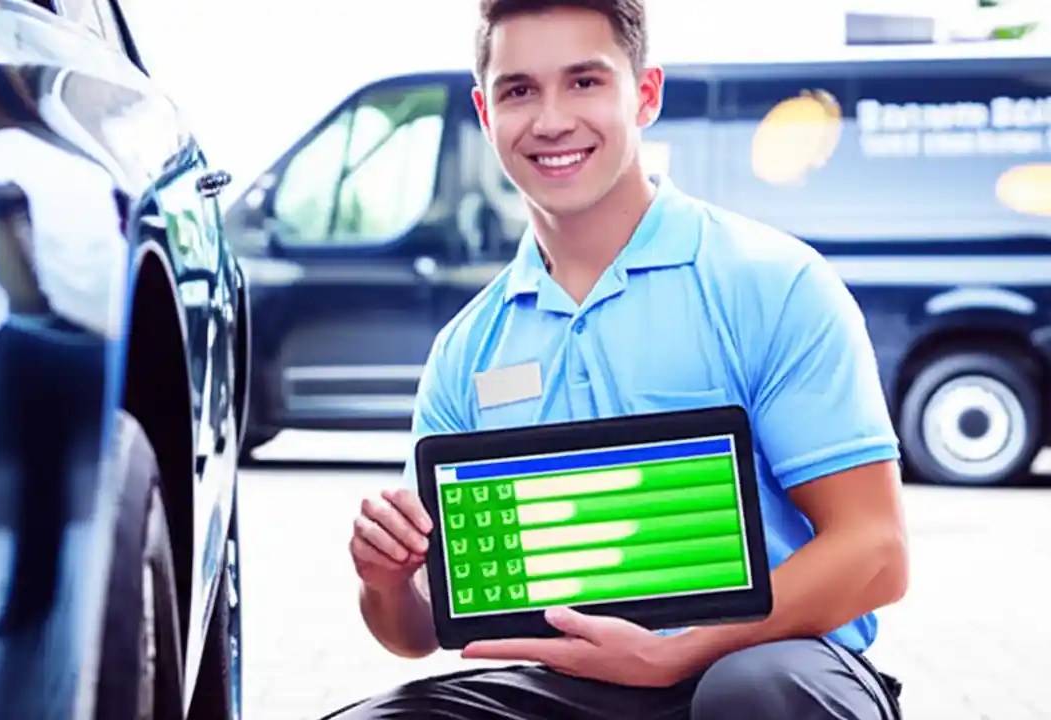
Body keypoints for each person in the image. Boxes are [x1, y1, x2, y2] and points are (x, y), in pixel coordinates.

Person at [332, 1, 910, 717]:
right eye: (519, 90)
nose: (550, 121)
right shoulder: (467, 348)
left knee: (754, 693)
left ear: (644, 94)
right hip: (573, 685)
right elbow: (420, 629)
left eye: (584, 82)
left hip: (772, 663)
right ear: (485, 112)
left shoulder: (770, 283)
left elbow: (876, 551)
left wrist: (675, 654)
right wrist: (384, 580)